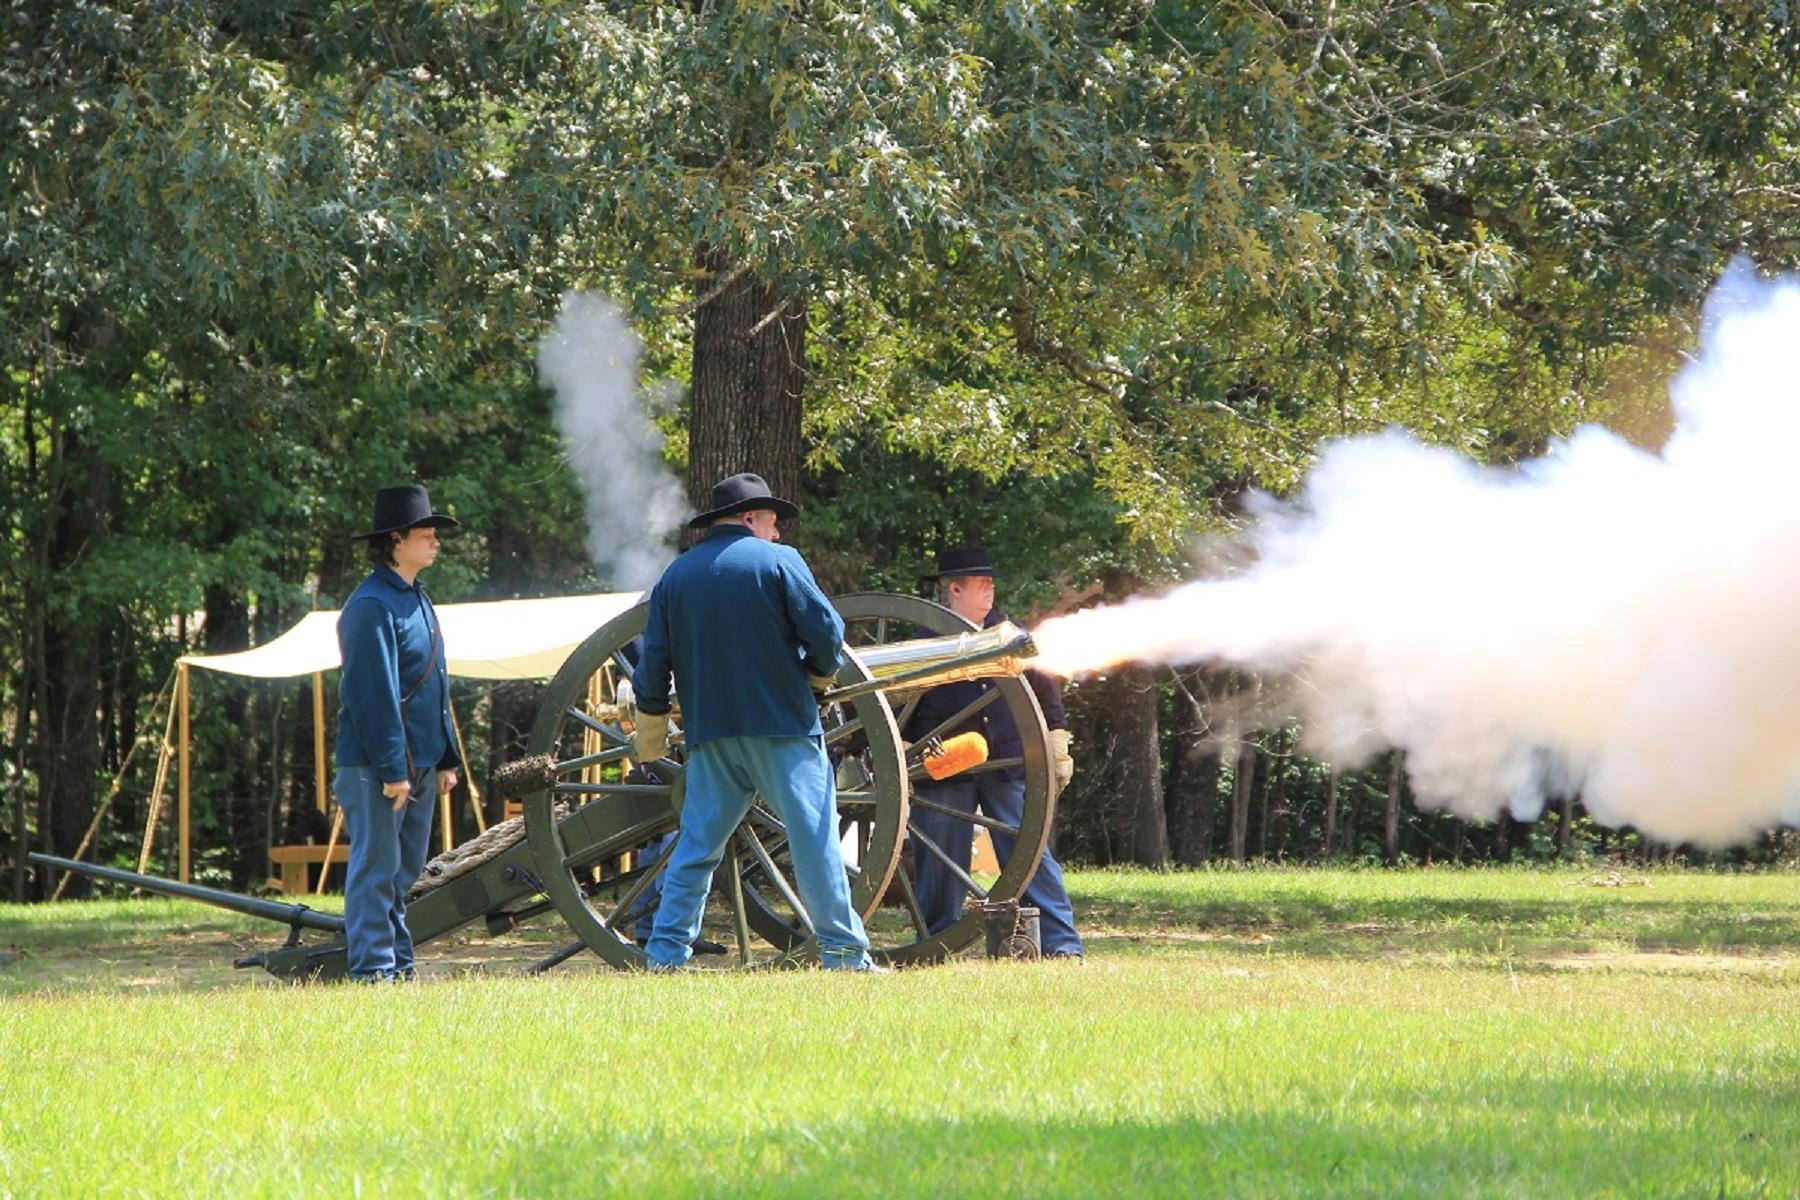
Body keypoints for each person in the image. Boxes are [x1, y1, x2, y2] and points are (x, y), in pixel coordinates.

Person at [630, 472, 874, 971]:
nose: (777, 532)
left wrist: (651, 720)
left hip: (711, 736)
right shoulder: (778, 561)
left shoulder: (674, 577)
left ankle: (664, 955)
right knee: (814, 842)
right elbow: (827, 632)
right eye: (771, 521)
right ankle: (844, 953)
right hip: (782, 727)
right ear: (748, 519)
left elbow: (652, 663)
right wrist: (818, 675)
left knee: (696, 849)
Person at [908, 545, 1085, 958]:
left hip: (1006, 762)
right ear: (955, 589)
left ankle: (1062, 944)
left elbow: (1046, 692)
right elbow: (902, 709)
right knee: (940, 858)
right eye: (980, 583)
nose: (990, 589)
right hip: (947, 764)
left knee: (1030, 853)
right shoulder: (925, 641)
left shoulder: (1012, 634)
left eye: (990, 582)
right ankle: (938, 943)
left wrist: (1057, 743)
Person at [335, 484, 463, 982]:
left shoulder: (417, 599)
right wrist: (393, 771)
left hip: (421, 762)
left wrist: (446, 759)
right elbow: (374, 697)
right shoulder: (370, 605)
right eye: (425, 533)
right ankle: (373, 971)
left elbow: (436, 686)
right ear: (395, 539)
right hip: (378, 766)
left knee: (403, 873)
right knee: (377, 870)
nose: (435, 541)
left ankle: (399, 967)